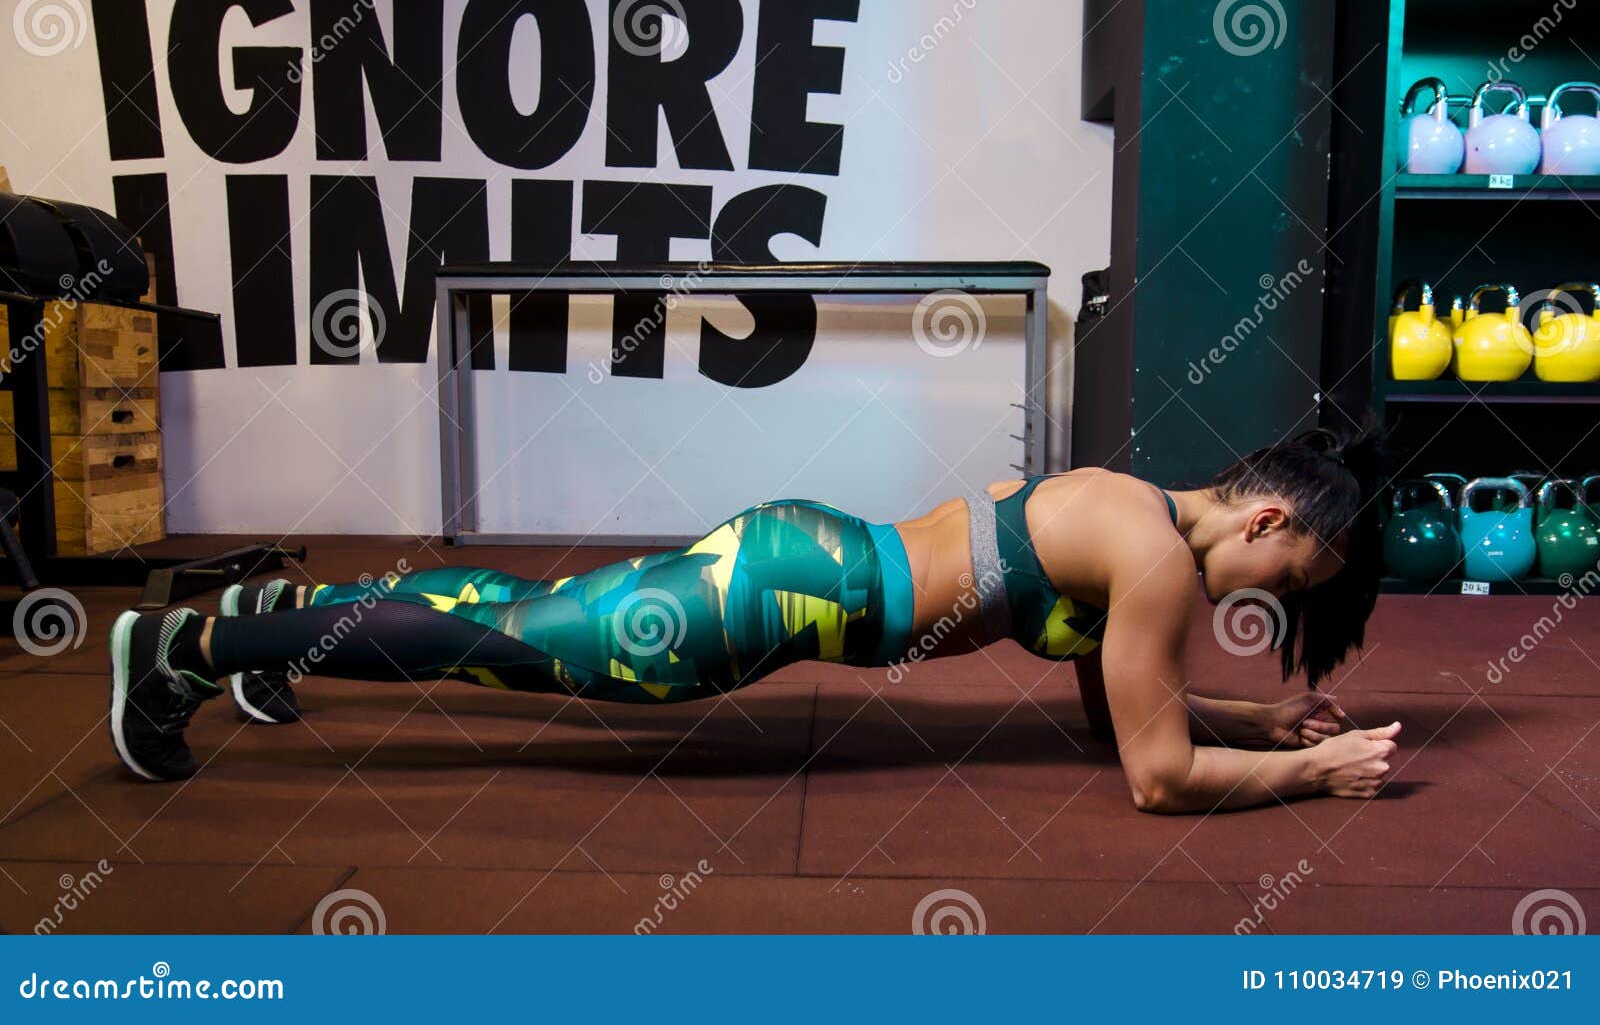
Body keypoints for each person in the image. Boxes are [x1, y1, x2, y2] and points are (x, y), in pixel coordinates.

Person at [107, 422, 1401, 813]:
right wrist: (1321, 772)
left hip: (798, 560)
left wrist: (1271, 724)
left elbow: (1120, 708)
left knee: (507, 610)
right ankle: (185, 650)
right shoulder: (1161, 567)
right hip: (766, 602)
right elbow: (1157, 778)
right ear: (1268, 523)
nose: (1260, 604)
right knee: (497, 643)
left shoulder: (1130, 508)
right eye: (1283, 586)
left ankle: (287, 615)